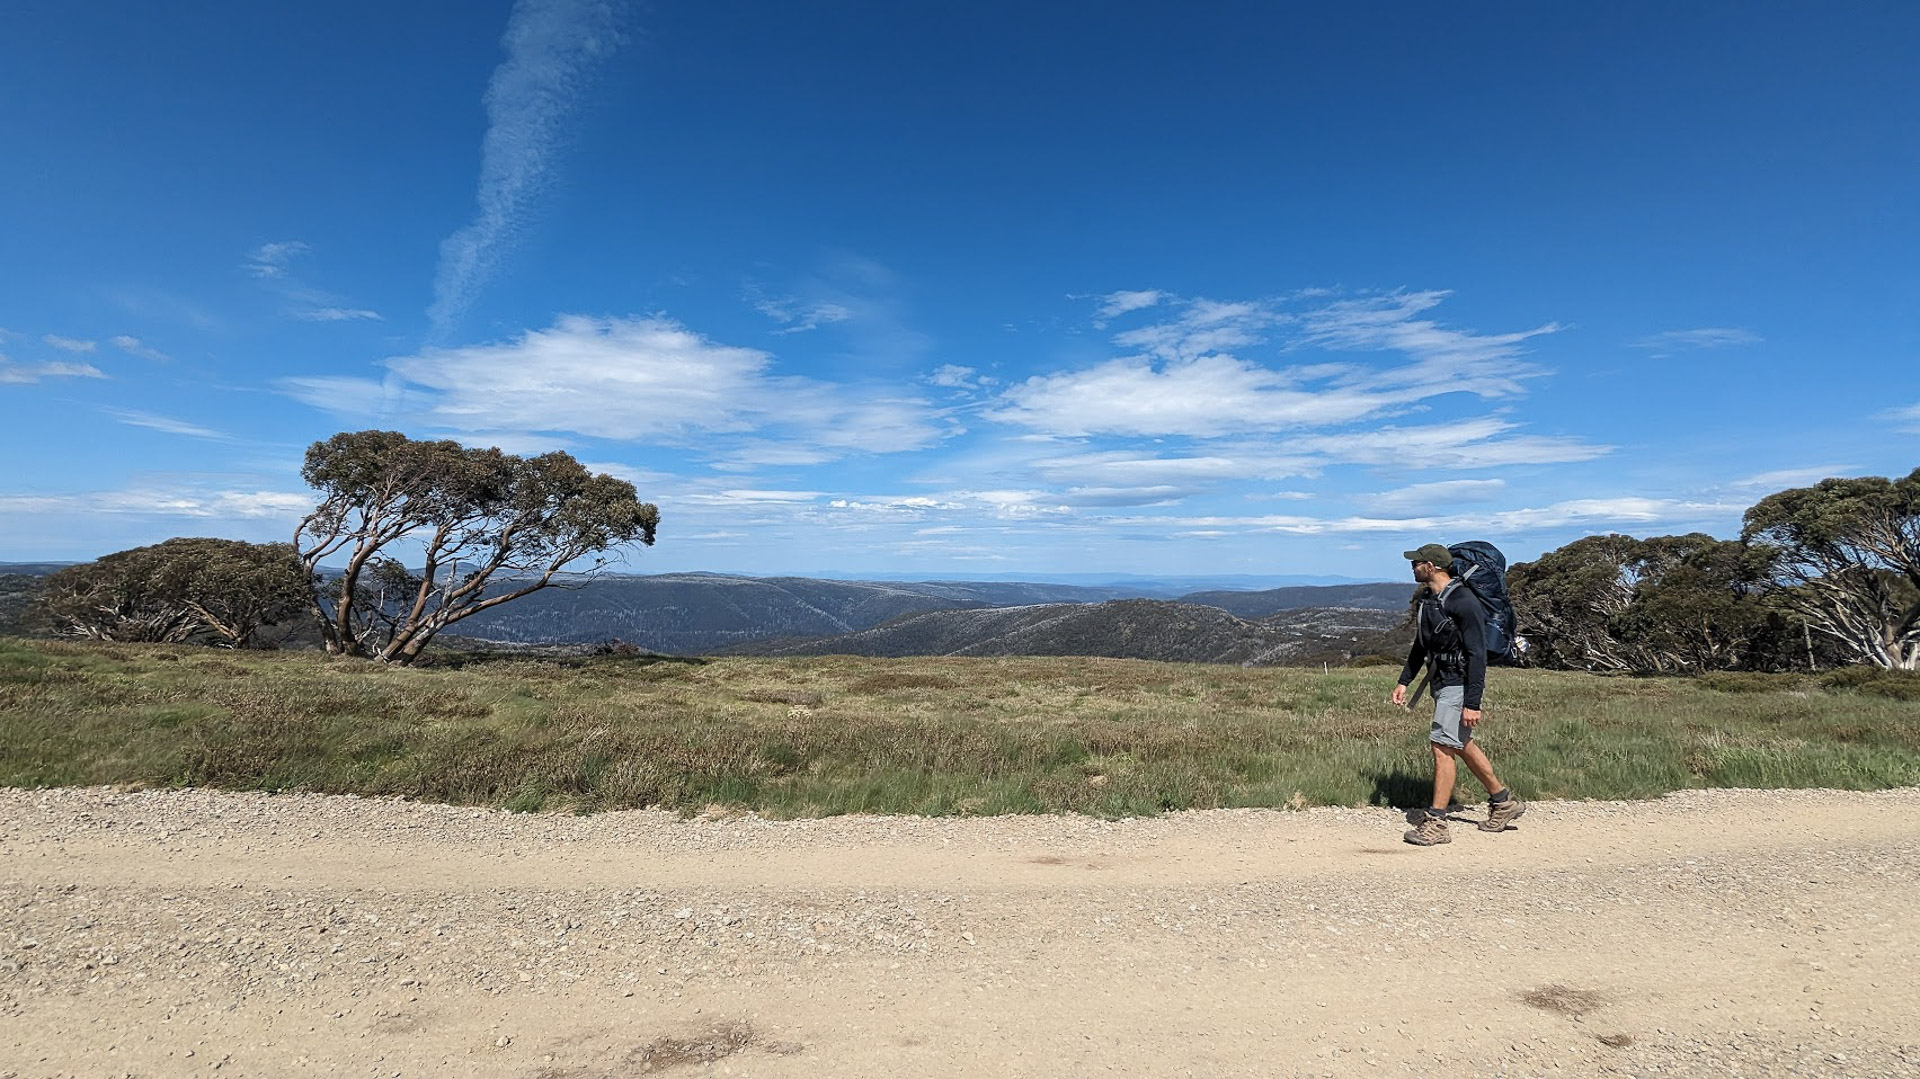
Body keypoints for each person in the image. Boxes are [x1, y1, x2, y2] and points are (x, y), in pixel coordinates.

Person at [1390, 543, 1526, 846]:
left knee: (1442, 746)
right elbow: (1421, 644)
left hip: (1458, 683)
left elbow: (1477, 655)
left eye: (1417, 563)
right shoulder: (1430, 599)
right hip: (1441, 681)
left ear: (1434, 566)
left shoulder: (1463, 601)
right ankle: (1503, 803)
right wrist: (1404, 681)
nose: (1412, 567)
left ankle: (1437, 822)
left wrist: (1472, 703)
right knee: (1461, 743)